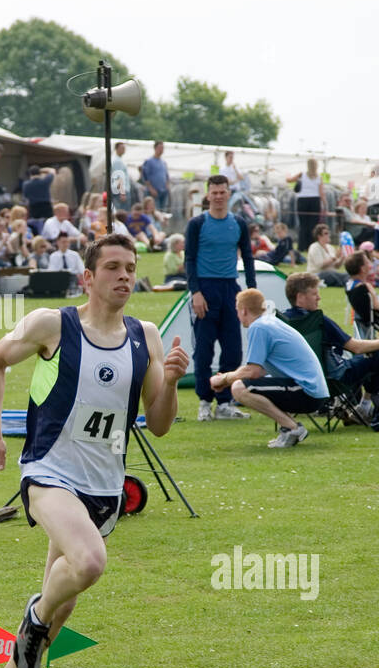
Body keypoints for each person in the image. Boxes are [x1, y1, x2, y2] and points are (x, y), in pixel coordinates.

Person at [0, 234, 189, 668]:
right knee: (89, 564)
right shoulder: (53, 324)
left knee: (65, 599)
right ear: (88, 278)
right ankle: (32, 618)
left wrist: (174, 383)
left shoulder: (147, 336)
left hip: (104, 484)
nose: (124, 276)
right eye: (113, 267)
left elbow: (157, 424)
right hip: (49, 472)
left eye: (131, 267)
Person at [210, 287, 328, 447]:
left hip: (307, 392)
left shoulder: (258, 327)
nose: (237, 315)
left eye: (237, 310)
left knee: (239, 388)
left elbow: (253, 372)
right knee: (249, 385)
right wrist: (226, 380)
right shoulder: (269, 322)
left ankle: (293, 428)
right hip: (314, 391)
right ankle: (288, 430)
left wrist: (223, 379)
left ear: (243, 311)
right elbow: (260, 370)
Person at [185, 174, 256, 421]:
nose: (218, 197)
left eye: (222, 192)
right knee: (203, 350)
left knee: (233, 349)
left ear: (228, 194)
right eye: (213, 192)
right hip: (205, 288)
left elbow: (247, 256)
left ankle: (225, 402)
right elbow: (190, 259)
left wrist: (251, 290)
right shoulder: (197, 224)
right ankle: (205, 401)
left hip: (230, 289)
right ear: (208, 195)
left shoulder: (238, 223)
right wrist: (195, 292)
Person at [281, 272, 379, 417]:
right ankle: (364, 407)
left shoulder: (283, 321)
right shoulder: (317, 320)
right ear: (300, 297)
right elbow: (356, 347)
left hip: (299, 381)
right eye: (314, 294)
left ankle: (360, 407)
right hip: (334, 379)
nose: (319, 297)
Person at [287, 158, 325, 253]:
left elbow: (289, 180)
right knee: (313, 225)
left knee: (303, 225)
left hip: (302, 200)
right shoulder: (319, 177)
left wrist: (288, 174)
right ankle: (311, 246)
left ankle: (301, 246)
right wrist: (325, 204)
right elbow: (321, 193)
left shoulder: (302, 174)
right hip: (315, 201)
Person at [140, 141, 170, 210]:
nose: (161, 150)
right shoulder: (149, 161)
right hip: (153, 192)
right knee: (155, 210)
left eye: (162, 148)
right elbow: (145, 176)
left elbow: (166, 176)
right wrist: (151, 189)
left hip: (163, 191)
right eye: (159, 148)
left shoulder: (163, 162)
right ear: (155, 148)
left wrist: (167, 186)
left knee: (163, 210)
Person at [109, 142, 131, 212]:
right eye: (122, 148)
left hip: (120, 190)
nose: (124, 150)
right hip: (120, 191)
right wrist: (122, 192)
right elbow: (118, 176)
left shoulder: (119, 160)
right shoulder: (117, 161)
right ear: (116, 149)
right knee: (121, 212)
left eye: (124, 148)